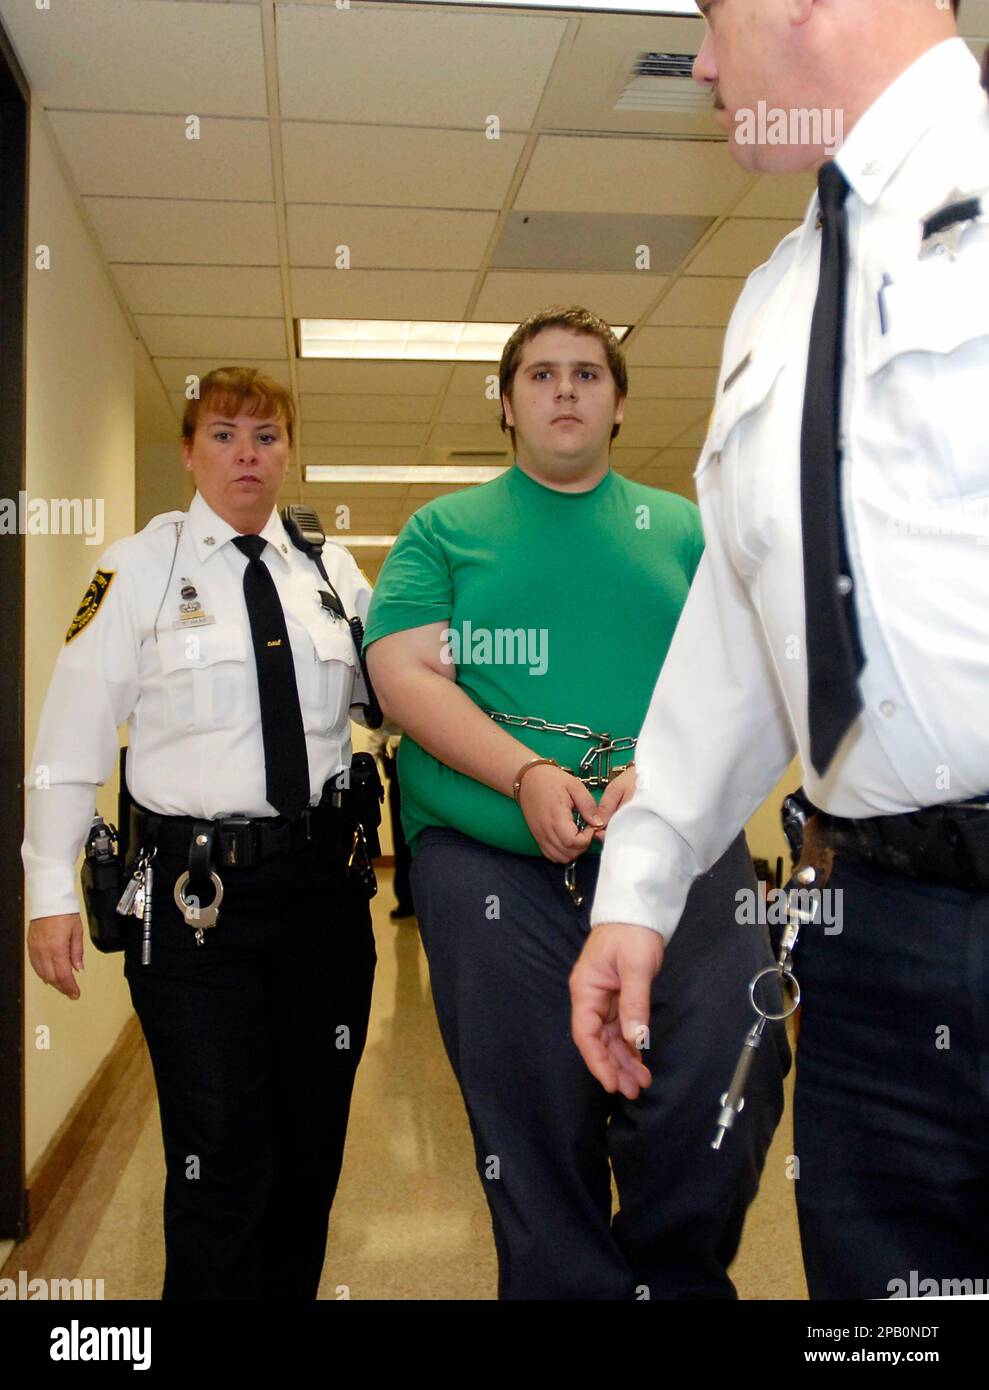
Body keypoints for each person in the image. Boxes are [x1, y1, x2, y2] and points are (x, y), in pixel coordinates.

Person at [571, 0, 989, 1301]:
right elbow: (747, 632)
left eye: (707, 17)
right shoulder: (772, 300)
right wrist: (639, 888)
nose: (699, 60)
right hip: (874, 936)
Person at [364, 305, 789, 1300]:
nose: (564, 389)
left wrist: (671, 772)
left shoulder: (685, 530)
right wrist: (522, 772)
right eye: (541, 374)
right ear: (506, 405)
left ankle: (669, 1279)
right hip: (490, 857)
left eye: (586, 374)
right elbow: (404, 672)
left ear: (619, 404)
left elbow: (755, 671)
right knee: (530, 1102)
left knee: (726, 1066)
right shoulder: (445, 530)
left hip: (677, 847)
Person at [23, 367, 377, 1300]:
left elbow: (401, 699)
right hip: (194, 904)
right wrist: (49, 889)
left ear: (289, 452)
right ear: (188, 451)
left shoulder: (331, 573)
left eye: (265, 436)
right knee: (218, 1160)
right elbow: (69, 741)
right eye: (223, 434)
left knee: (308, 1158)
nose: (246, 454)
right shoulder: (138, 568)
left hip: (324, 900)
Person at [366, 728, 415, 918]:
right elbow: (374, 747)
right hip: (399, 784)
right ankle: (406, 901)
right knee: (401, 842)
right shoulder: (390, 723)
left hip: (421, 783)